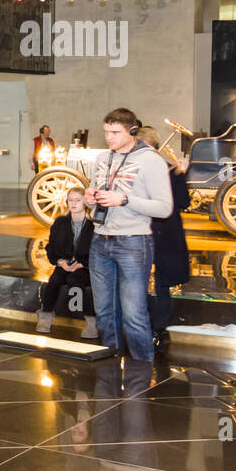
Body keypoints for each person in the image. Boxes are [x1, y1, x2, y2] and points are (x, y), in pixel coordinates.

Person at [83, 108, 174, 362]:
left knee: (134, 315)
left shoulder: (151, 161)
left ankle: (142, 372)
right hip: (100, 241)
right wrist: (89, 198)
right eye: (106, 132)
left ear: (132, 131)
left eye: (115, 132)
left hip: (134, 243)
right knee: (104, 313)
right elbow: (96, 196)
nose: (108, 137)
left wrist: (124, 199)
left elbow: (164, 208)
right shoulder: (102, 158)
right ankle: (110, 366)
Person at [138, 126, 191, 353]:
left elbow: (182, 201)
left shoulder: (165, 170)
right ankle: (152, 329)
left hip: (159, 232)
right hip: (149, 231)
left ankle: (158, 329)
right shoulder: (153, 169)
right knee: (144, 285)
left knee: (158, 285)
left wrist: (180, 176)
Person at [36, 188, 98, 338]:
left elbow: (98, 250)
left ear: (85, 202)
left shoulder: (93, 225)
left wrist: (83, 263)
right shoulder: (61, 222)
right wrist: (60, 261)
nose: (74, 203)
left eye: (78, 200)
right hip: (65, 263)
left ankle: (91, 322)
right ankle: (46, 316)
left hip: (85, 265)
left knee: (75, 280)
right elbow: (51, 246)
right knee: (55, 280)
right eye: (71, 200)